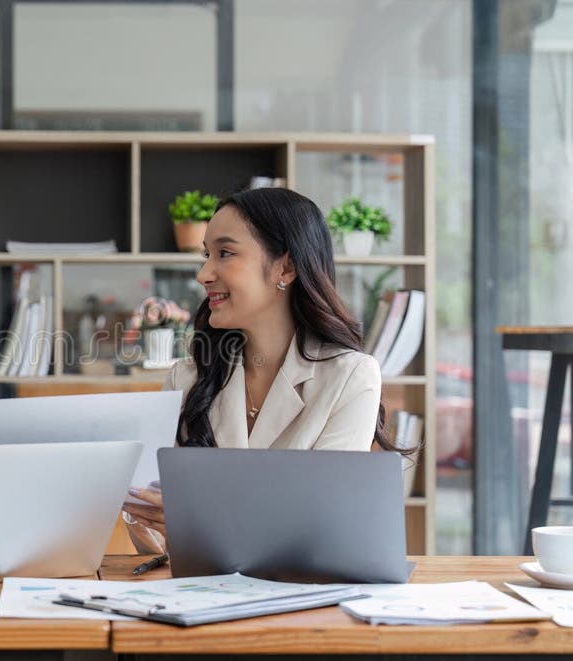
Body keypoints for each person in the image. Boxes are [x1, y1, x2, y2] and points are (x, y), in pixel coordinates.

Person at [123, 186, 408, 548]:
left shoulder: (350, 377)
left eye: (225, 253)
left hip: (300, 595)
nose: (203, 274)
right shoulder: (187, 377)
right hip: (203, 592)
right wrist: (148, 515)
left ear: (285, 267)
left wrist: (198, 518)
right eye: (206, 255)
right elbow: (154, 537)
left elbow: (323, 524)